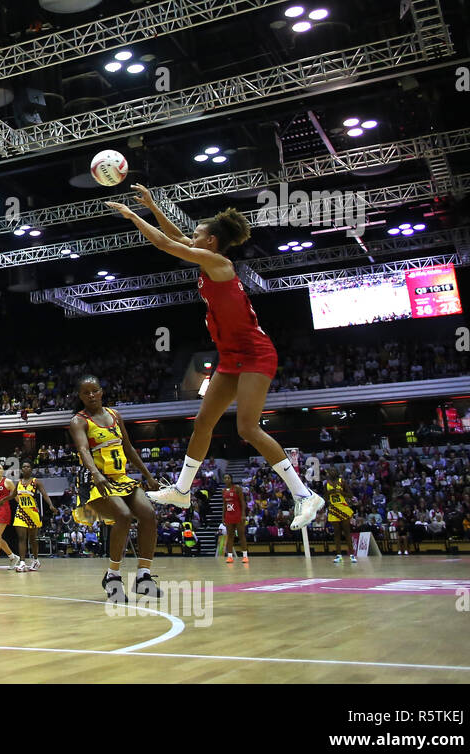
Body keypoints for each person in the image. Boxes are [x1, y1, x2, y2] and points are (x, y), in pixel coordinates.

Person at [106, 184, 324, 527]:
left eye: (197, 234)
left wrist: (134, 216)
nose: (190, 237)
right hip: (231, 355)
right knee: (203, 423)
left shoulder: (219, 263)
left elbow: (166, 243)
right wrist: (153, 205)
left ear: (210, 241)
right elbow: (176, 236)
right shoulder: (206, 258)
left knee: (247, 428)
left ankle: (305, 495)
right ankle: (181, 489)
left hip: (255, 353)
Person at [68, 375, 163, 602]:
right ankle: (112, 576)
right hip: (95, 481)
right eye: (86, 393)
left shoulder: (114, 415)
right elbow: (83, 450)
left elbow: (128, 449)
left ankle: (144, 576)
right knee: (123, 515)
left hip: (121, 479)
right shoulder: (78, 421)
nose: (91, 395)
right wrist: (96, 473)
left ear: (101, 392)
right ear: (80, 397)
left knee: (149, 515)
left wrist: (148, 476)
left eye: (95, 391)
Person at [12, 461, 57, 572]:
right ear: (22, 469)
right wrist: (3, 500)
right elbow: (13, 495)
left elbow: (44, 494)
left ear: (31, 469)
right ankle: (22, 562)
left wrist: (51, 505)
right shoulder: (18, 483)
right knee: (22, 538)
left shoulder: (36, 482)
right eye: (24, 467)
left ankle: (36, 560)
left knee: (32, 539)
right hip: (21, 512)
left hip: (32, 513)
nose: (26, 468)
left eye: (28, 466)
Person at [325, 467, 357, 564]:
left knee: (347, 532)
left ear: (337, 472)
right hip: (333, 509)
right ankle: (338, 555)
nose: (332, 472)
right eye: (330, 471)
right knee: (337, 534)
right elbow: (325, 497)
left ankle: (352, 555)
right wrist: (329, 492)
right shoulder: (326, 484)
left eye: (334, 470)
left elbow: (350, 495)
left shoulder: (341, 481)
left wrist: (340, 492)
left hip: (343, 508)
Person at [221, 473, 249, 564]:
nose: (227, 479)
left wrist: (243, 514)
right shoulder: (224, 490)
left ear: (231, 479)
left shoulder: (237, 488)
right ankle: (230, 557)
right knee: (230, 536)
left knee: (241, 535)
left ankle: (245, 556)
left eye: (228, 478)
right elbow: (224, 505)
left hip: (238, 514)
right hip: (229, 515)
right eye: (225, 478)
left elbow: (242, 502)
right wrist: (223, 516)